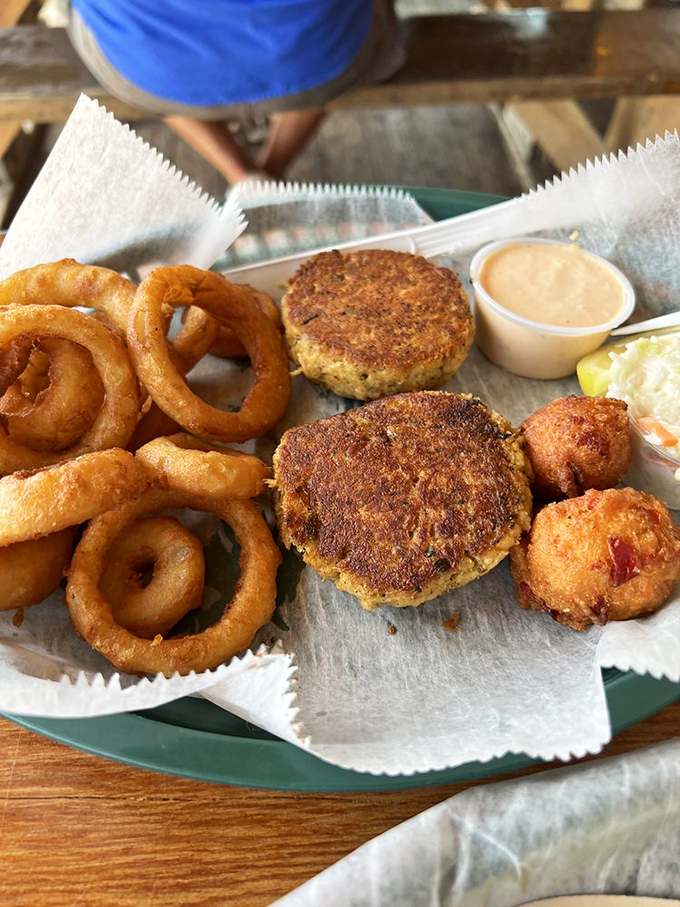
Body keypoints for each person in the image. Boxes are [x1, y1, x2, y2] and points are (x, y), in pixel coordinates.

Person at [67, 0, 406, 184]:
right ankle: (270, 172)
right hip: (316, 58)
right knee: (328, 33)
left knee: (141, 40)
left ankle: (242, 175)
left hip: (153, 69)